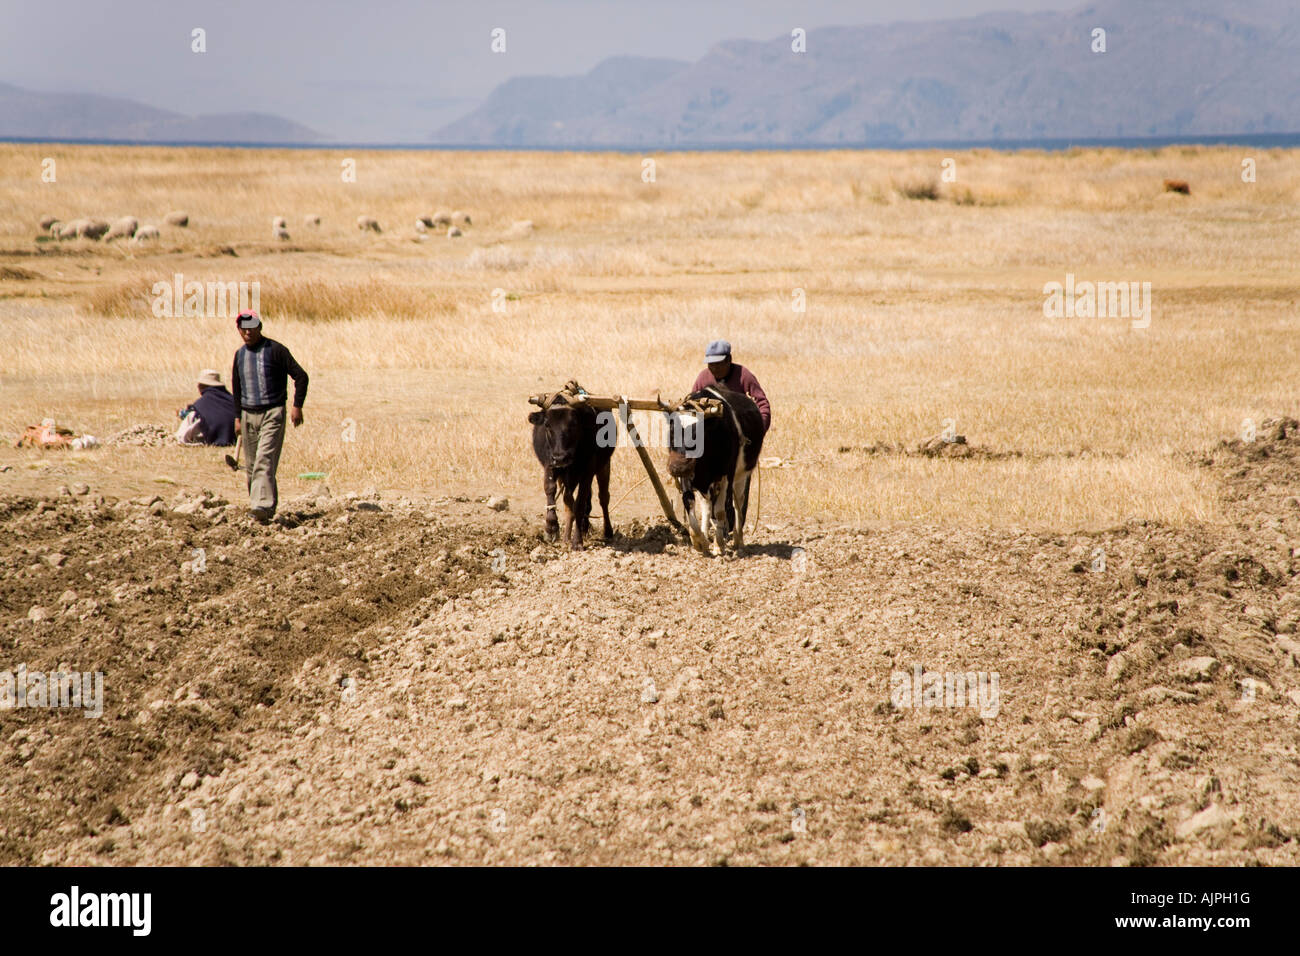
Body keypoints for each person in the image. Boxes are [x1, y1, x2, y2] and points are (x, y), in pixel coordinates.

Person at [230, 310, 309, 522]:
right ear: (238, 330)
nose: (247, 331)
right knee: (252, 464)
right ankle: (265, 507)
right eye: (243, 327)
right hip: (248, 414)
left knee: (264, 460)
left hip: (272, 413)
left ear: (259, 327)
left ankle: (261, 506)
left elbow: (301, 376)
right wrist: (238, 417)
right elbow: (237, 389)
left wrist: (297, 406)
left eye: (251, 327)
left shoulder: (276, 350)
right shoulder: (240, 355)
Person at [691, 339, 771, 433]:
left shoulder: (743, 375)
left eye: (718, 364)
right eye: (711, 364)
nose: (714, 368)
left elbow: (762, 403)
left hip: (739, 431)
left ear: (729, 360)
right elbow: (692, 404)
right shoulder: (703, 377)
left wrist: (759, 428)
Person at [175, 369, 236, 446]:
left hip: (212, 436)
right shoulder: (231, 399)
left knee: (192, 416)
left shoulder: (202, 402)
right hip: (234, 437)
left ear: (201, 386)